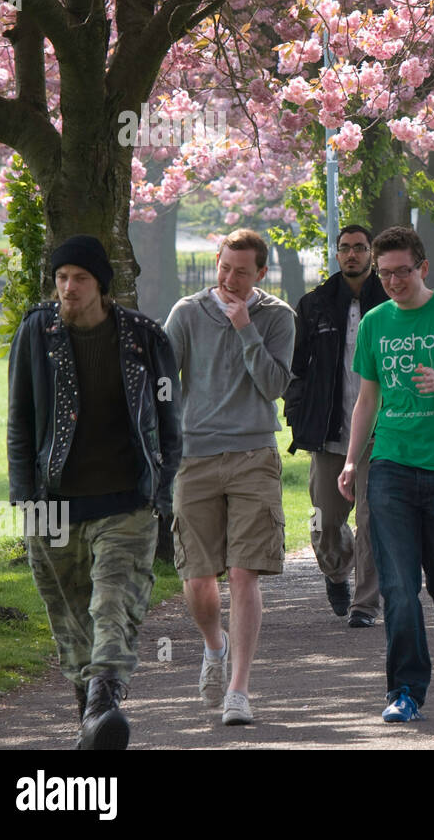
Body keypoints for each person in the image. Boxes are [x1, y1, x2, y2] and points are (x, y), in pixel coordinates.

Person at [8, 236, 181, 750]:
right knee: (68, 616)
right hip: (51, 503)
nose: (68, 288)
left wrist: (161, 491)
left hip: (125, 502)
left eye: (79, 278)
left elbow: (170, 423)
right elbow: (20, 422)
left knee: (111, 603)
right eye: (62, 278)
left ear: (101, 286)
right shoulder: (36, 332)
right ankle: (91, 717)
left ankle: (105, 698)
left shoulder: (145, 339)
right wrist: (24, 497)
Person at [337, 225, 434, 723]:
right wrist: (349, 459)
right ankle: (405, 690)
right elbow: (367, 400)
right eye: (384, 274)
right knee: (399, 588)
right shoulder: (376, 323)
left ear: (423, 267)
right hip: (390, 469)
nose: (392, 282)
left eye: (402, 271)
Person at [164, 228, 295, 726]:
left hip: (253, 455)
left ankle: (239, 689)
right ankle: (213, 647)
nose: (230, 279)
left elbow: (275, 385)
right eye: (224, 267)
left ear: (261, 273)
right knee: (198, 580)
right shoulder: (186, 313)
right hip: (195, 457)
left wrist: (245, 327)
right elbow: (163, 382)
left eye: (242, 271)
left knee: (243, 573)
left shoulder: (279, 317)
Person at [285, 224, 388, 625]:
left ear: (371, 254)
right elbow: (296, 368)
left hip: (379, 434)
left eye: (360, 248)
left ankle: (366, 604)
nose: (351, 255)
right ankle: (335, 571)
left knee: (371, 519)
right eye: (344, 248)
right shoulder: (315, 305)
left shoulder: (389, 302)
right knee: (324, 519)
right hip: (328, 431)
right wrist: (297, 413)